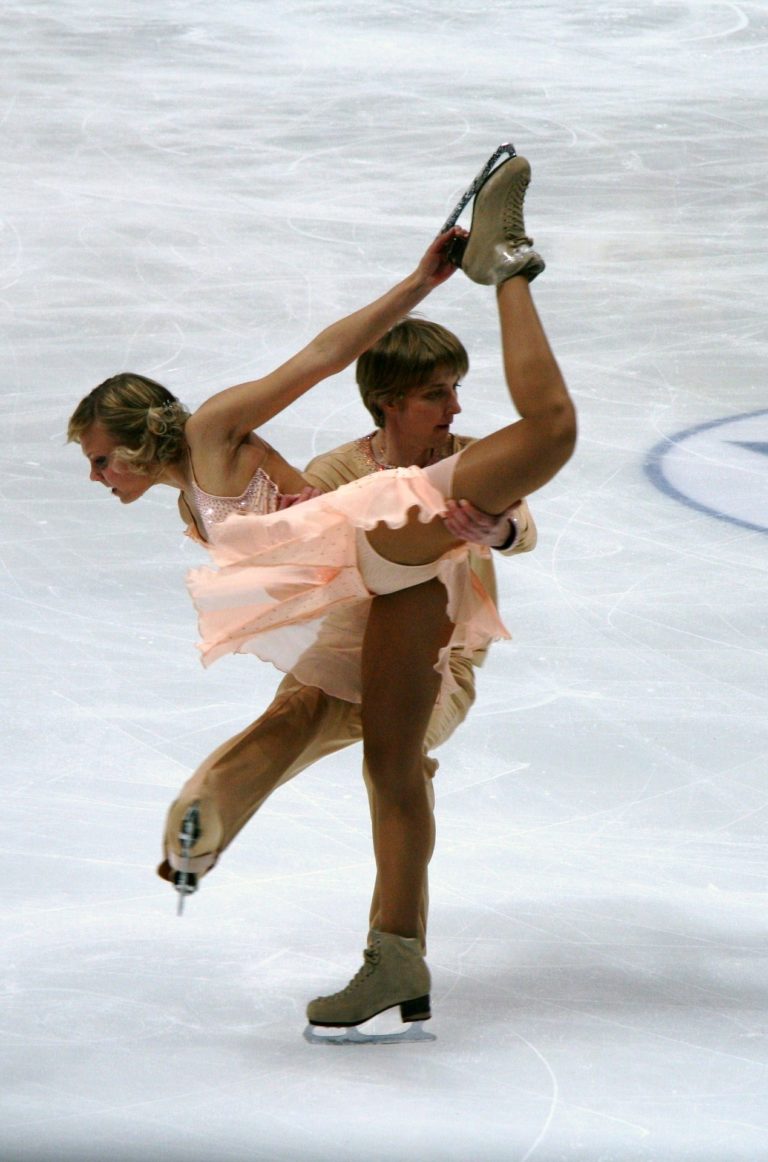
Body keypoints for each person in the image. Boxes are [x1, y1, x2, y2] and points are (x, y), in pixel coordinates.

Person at [68, 153, 577, 1031]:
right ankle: (237, 852)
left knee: (548, 435)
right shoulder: (193, 494)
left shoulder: (213, 431)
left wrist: (419, 284)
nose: (96, 476)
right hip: (375, 589)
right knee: (354, 748)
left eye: (99, 457)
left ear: (134, 438)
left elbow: (322, 354)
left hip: (375, 539)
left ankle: (508, 266)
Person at [154, 314, 537, 956]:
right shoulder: (337, 471)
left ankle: (387, 943)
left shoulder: (471, 459)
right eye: (437, 392)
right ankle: (203, 824)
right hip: (347, 642)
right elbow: (302, 546)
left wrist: (496, 532)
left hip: (443, 656)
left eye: (454, 389)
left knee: (391, 753)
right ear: (390, 401)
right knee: (301, 718)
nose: (456, 405)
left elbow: (520, 523)